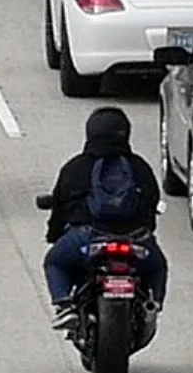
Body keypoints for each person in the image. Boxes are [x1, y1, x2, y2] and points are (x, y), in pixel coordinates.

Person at [42, 104, 164, 322]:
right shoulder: (140, 167)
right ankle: (152, 305)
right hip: (136, 239)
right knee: (157, 268)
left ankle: (65, 305)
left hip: (87, 238)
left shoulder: (75, 167)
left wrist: (53, 235)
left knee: (55, 262)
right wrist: (145, 231)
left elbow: (60, 209)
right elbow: (151, 203)